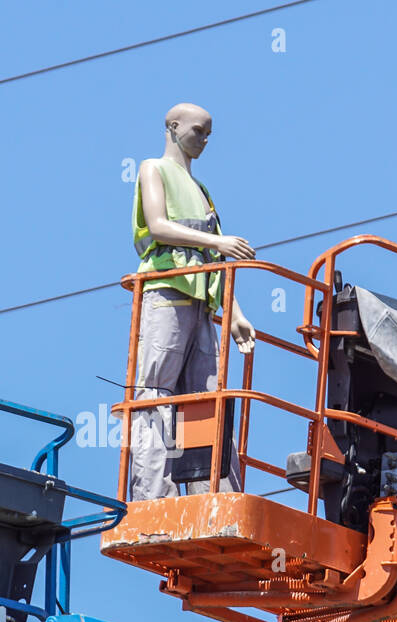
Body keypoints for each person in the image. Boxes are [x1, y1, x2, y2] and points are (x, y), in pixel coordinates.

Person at [128, 102, 254, 501]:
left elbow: (214, 263)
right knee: (155, 391)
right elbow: (159, 225)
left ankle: (215, 498)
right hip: (166, 293)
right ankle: (153, 495)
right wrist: (217, 241)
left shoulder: (202, 192)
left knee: (208, 397)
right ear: (173, 126)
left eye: (208, 135)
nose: (203, 140)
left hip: (201, 303)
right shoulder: (153, 168)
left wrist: (234, 315)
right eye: (198, 131)